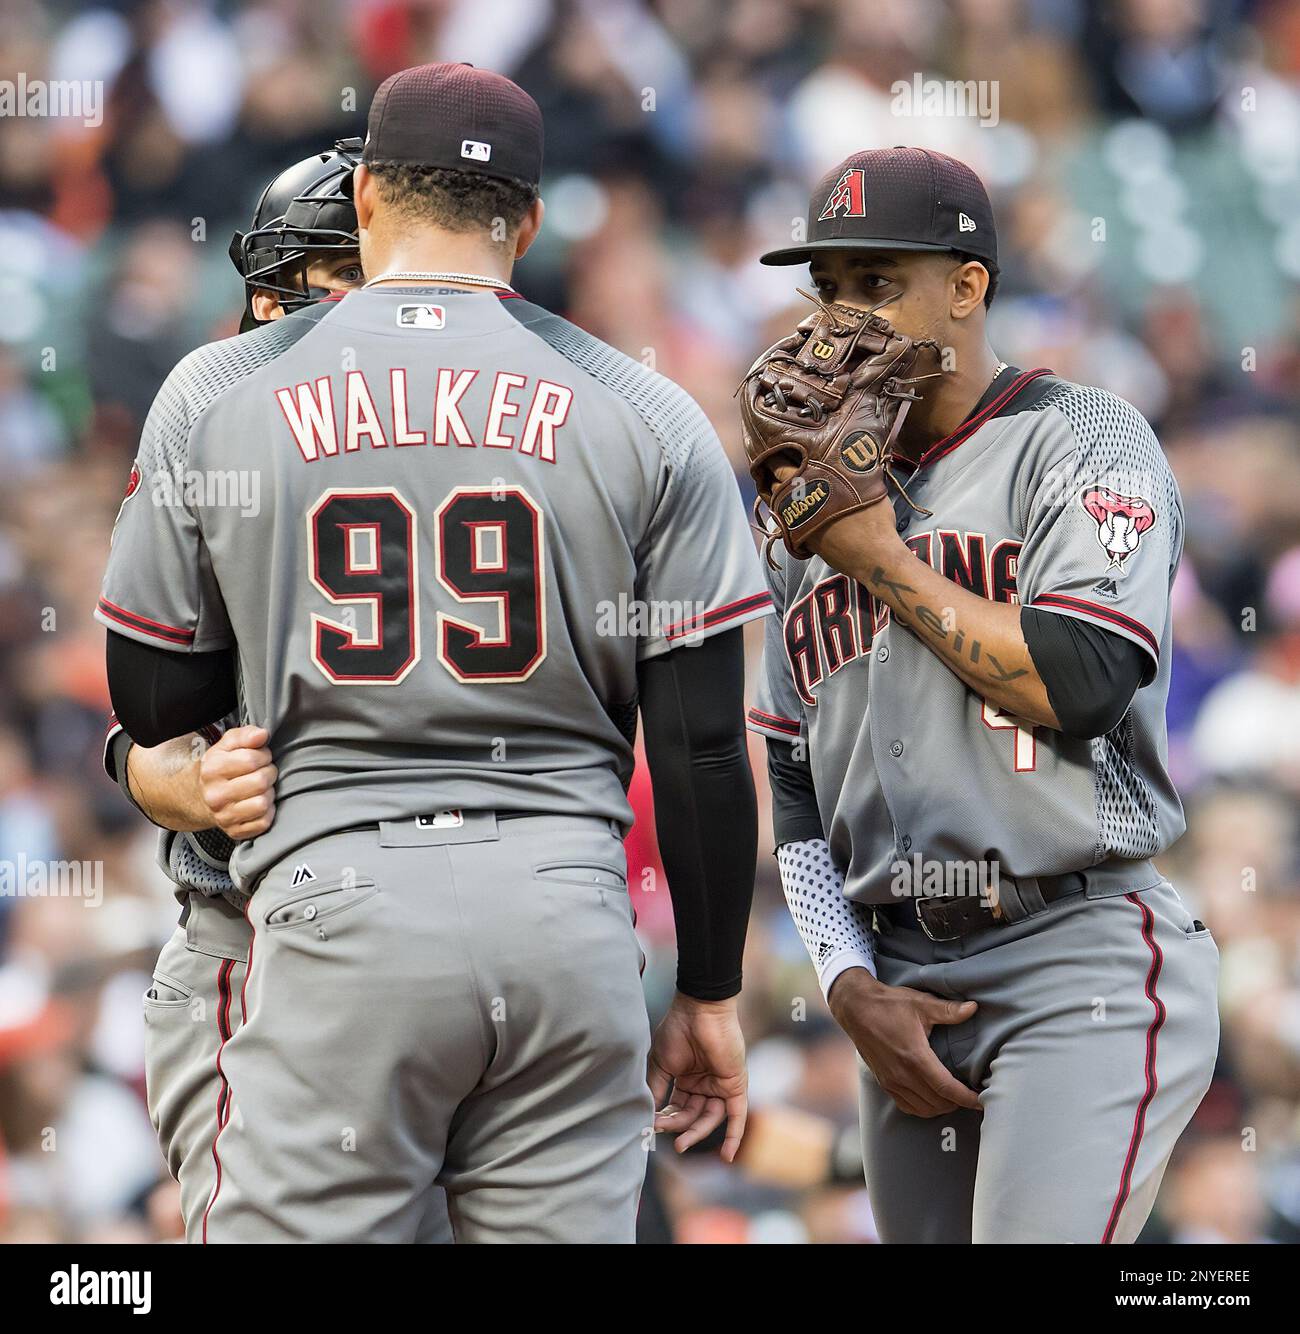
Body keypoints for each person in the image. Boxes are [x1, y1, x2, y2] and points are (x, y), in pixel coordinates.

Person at [98, 63, 768, 1243]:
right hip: (566, 914)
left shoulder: (221, 387)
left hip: (335, 902)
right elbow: (706, 752)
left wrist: (154, 755)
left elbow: (158, 692)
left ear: (364, 200)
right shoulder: (646, 408)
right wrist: (708, 988)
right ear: (531, 219)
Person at [746, 147, 1219, 1244]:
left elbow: (1083, 679)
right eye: (828, 286)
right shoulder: (811, 501)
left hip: (1075, 949)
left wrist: (882, 561)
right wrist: (845, 977)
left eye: (877, 282)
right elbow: (790, 773)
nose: (840, 319)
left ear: (967, 285)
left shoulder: (1078, 437)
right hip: (900, 977)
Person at [105, 140, 451, 1244]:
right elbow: (147, 713)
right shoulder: (216, 414)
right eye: (271, 285)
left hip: (430, 941)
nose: (274, 312)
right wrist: (160, 776)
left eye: (312, 281)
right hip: (262, 922)